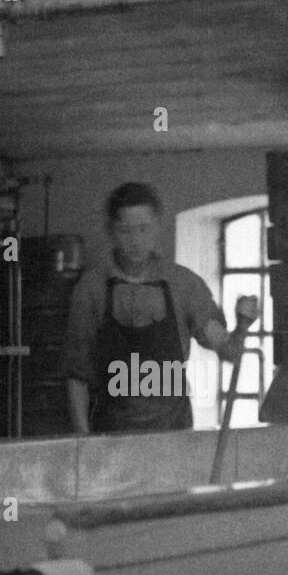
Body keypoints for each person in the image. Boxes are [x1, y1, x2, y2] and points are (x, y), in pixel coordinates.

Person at [62, 182, 259, 434]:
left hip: (174, 437)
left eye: (143, 229)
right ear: (111, 231)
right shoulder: (91, 289)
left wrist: (242, 325)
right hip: (109, 439)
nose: (135, 241)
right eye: (125, 230)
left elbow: (229, 351)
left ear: (157, 227)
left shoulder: (184, 286)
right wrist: (83, 440)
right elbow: (76, 374)